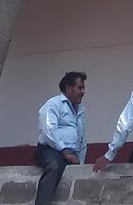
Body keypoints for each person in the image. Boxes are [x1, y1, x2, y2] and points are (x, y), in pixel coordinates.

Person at [34, 71, 87, 205]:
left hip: (70, 153)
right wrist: (64, 152)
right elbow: (49, 129)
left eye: (83, 88)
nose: (83, 91)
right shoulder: (54, 103)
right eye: (80, 87)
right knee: (53, 167)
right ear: (68, 88)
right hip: (50, 150)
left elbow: (81, 138)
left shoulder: (80, 110)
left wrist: (80, 161)